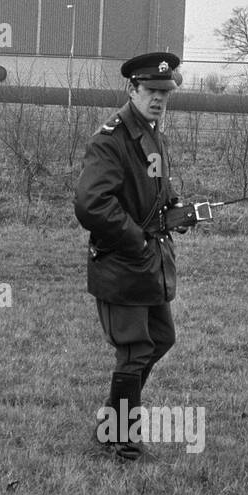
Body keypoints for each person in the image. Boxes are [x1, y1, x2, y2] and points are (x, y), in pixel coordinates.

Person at [74, 52, 186, 462]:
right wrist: (136, 239)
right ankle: (119, 436)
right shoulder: (111, 139)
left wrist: (177, 208)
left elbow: (155, 188)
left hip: (148, 262)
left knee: (161, 339)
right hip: (122, 262)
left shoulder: (153, 132)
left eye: (165, 92)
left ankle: (111, 421)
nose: (158, 99)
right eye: (151, 91)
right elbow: (91, 204)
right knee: (135, 349)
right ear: (132, 89)